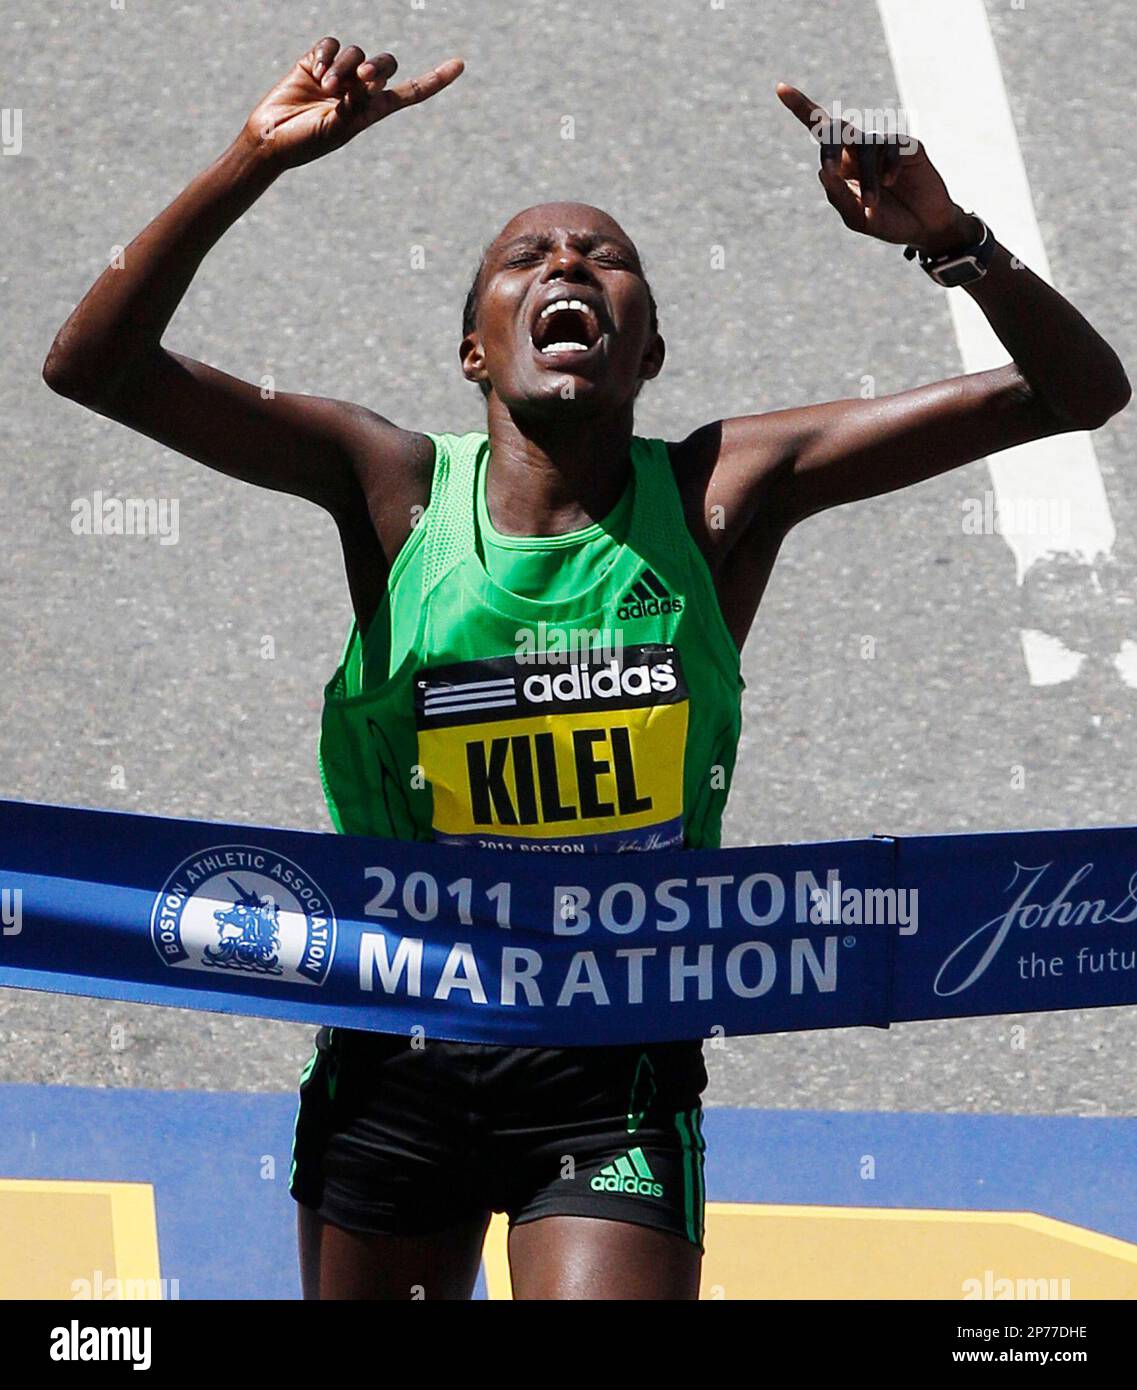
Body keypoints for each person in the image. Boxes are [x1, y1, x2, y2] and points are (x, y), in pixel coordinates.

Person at [43, 36, 1130, 1301]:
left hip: (612, 1062)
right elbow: (92, 367)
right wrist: (253, 162)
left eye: (606, 257)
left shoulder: (724, 492)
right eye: (526, 257)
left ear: (648, 355)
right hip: (398, 1042)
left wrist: (950, 238)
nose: (567, 262)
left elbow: (1077, 391)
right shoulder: (392, 491)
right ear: (474, 354)